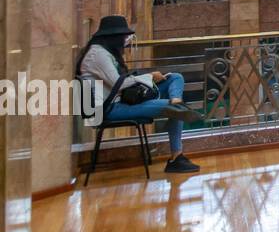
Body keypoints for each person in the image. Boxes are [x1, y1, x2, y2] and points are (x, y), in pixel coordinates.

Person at [77, 15, 205, 174]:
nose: (125, 41)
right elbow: (119, 83)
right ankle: (176, 155)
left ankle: (176, 100)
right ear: (113, 37)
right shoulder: (98, 55)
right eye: (123, 37)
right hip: (110, 108)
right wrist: (149, 77)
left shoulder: (104, 52)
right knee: (174, 109)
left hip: (121, 99)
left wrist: (147, 79)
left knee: (176, 78)